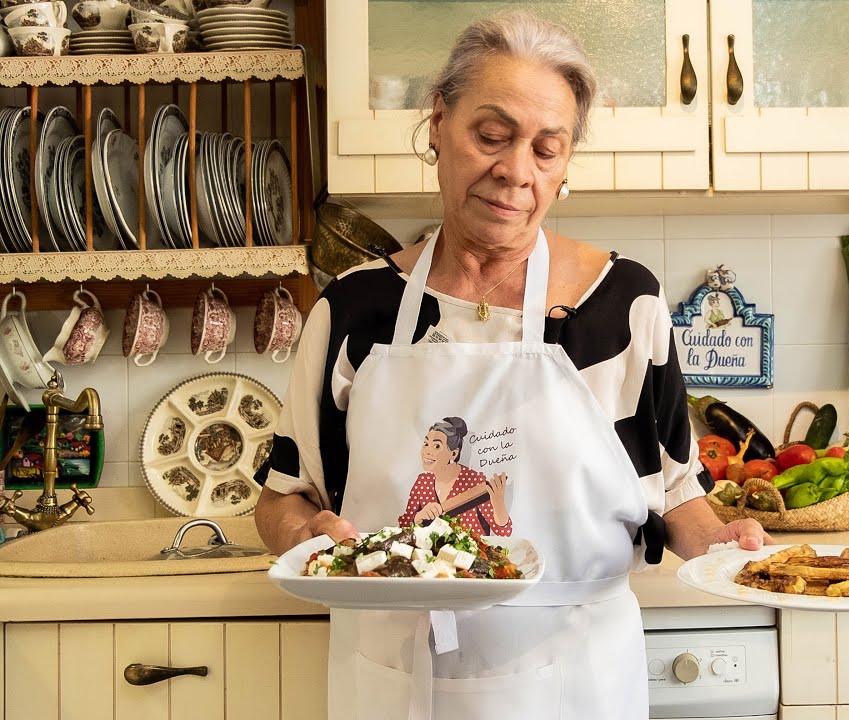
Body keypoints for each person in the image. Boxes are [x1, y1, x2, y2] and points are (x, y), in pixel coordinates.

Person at [254, 11, 770, 719]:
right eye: (491, 136)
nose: (515, 172)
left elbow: (675, 494)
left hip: (576, 680)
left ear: (564, 167)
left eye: (546, 149)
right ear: (438, 123)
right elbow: (285, 494)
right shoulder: (352, 312)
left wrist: (723, 540)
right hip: (392, 679)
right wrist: (306, 537)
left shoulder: (623, 308)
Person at [398, 416, 511, 535]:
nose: (427, 451)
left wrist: (498, 503)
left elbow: (503, 532)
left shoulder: (475, 482)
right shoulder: (423, 482)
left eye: (437, 446)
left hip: (472, 551)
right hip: (433, 552)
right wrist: (418, 518)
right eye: (426, 444)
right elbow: (404, 525)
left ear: (453, 453)